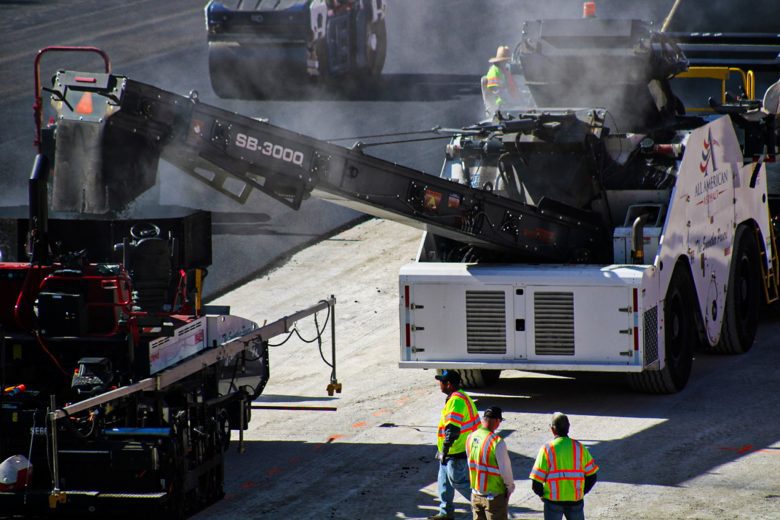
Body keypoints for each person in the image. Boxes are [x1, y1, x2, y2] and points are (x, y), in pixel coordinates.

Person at [429, 370, 480, 520]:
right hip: (451, 449)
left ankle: (483, 505)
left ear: (449, 384)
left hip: (457, 450)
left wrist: (445, 450)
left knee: (458, 481)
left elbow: (452, 430)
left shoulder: (456, 401)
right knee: (444, 482)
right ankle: (445, 512)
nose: (439, 384)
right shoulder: (459, 396)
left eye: (441, 381)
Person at [529, 412, 598, 520]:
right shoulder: (580, 448)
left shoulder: (547, 449)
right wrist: (581, 492)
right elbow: (592, 476)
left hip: (553, 502)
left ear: (553, 429)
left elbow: (536, 483)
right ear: (568, 427)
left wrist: (542, 495)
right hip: (575, 501)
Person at [466, 406, 515, 520]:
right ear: (497, 421)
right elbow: (505, 470)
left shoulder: (470, 437)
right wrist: (510, 487)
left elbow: (470, 462)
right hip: (494, 497)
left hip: (476, 494)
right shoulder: (497, 442)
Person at [483, 45, 520, 115]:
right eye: (505, 60)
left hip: (510, 104)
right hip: (500, 107)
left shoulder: (505, 71)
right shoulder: (494, 72)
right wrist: (509, 101)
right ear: (501, 61)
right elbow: (495, 91)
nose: (507, 62)